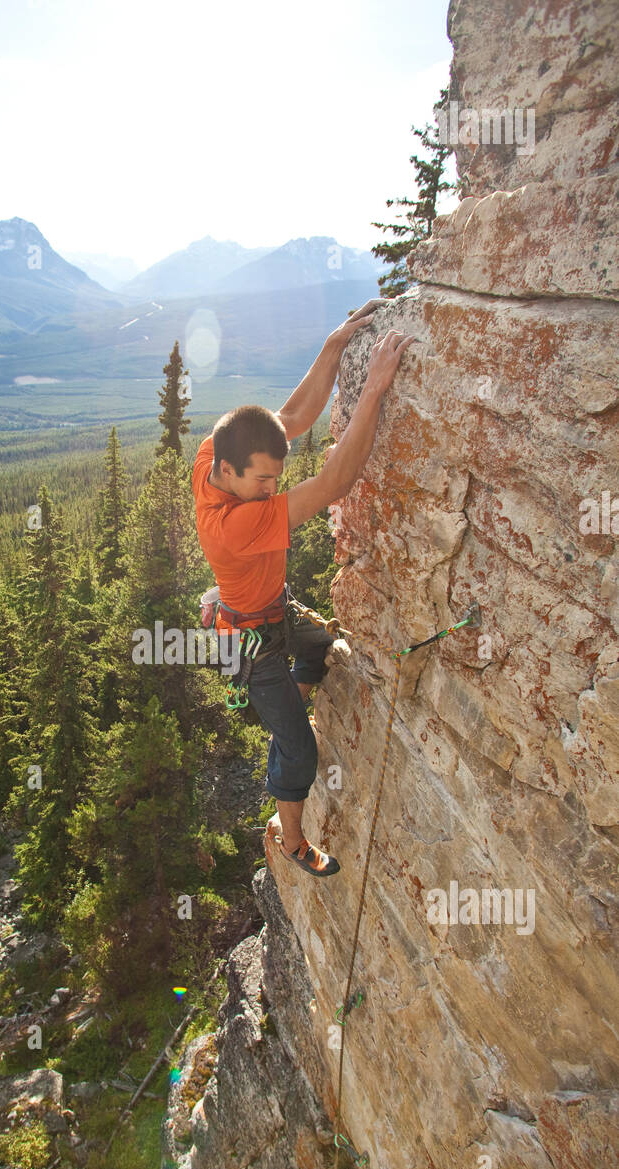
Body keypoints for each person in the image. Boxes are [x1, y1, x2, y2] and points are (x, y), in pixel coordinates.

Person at [192, 303, 415, 876]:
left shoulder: (217, 454)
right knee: (301, 750)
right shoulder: (238, 522)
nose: (273, 489)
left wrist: (335, 345)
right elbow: (338, 479)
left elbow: (290, 416)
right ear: (229, 472)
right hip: (253, 645)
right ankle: (291, 842)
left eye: (275, 477)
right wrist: (374, 390)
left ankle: (291, 703)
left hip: (269, 608)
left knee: (316, 645)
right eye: (264, 480)